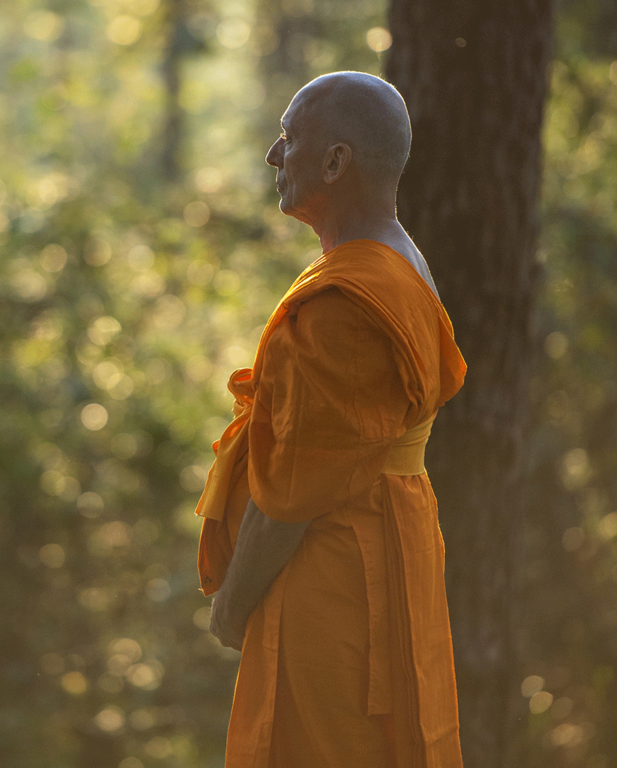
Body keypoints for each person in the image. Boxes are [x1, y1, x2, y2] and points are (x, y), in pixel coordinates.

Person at [195, 71, 466, 768]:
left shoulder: (352, 299)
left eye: (288, 138)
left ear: (336, 162)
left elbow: (294, 494)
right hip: (382, 547)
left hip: (338, 579)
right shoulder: (390, 261)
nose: (271, 156)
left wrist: (232, 607)